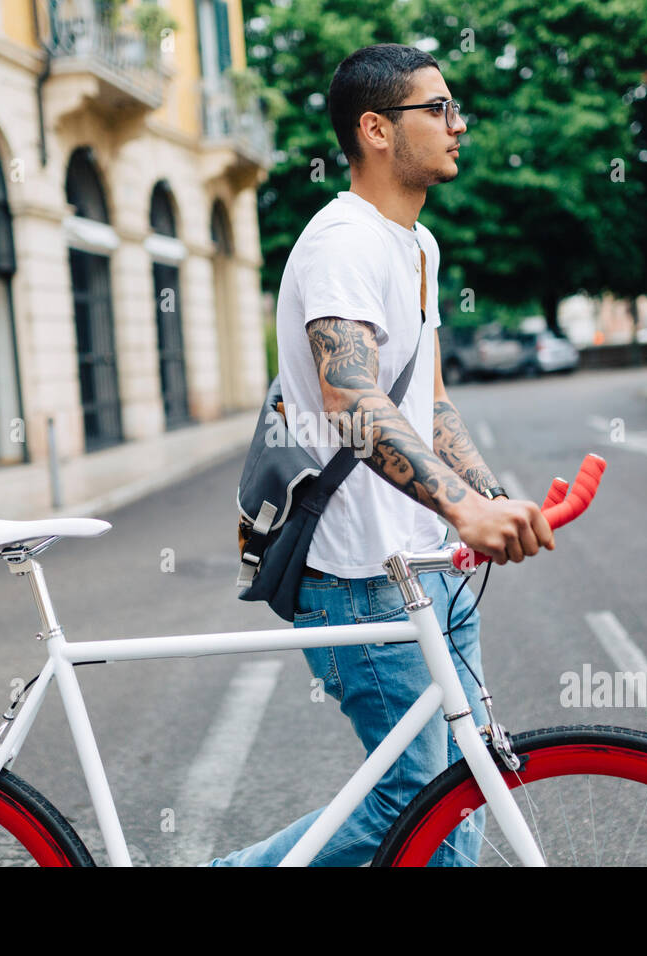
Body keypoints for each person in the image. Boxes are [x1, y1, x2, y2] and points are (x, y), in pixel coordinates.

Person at [208, 43, 554, 867]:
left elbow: (424, 402)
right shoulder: (342, 243)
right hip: (360, 580)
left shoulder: (417, 245)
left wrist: (489, 497)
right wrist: (464, 507)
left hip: (428, 567)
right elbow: (352, 400)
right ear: (374, 129)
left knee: (463, 791)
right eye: (438, 109)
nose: (458, 124)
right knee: (414, 804)